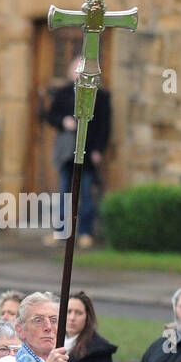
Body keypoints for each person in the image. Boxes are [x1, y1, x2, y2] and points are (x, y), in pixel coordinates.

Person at [47, 57, 111, 242]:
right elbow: (51, 116)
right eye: (77, 69)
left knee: (87, 192)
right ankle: (60, 230)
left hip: (89, 151)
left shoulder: (101, 96)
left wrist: (98, 149)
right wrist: (63, 121)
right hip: (68, 151)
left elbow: (104, 125)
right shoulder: (64, 93)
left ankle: (85, 232)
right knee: (65, 190)